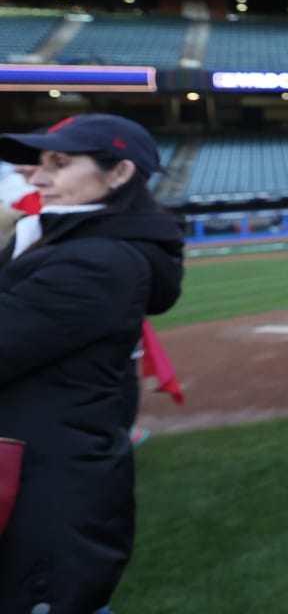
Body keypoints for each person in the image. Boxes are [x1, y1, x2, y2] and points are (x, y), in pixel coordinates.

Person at [0, 114, 184, 611]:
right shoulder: (68, 242)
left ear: (119, 174)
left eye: (58, 164)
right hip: (45, 490)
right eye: (40, 163)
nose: (37, 177)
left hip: (44, 505)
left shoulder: (98, 262)